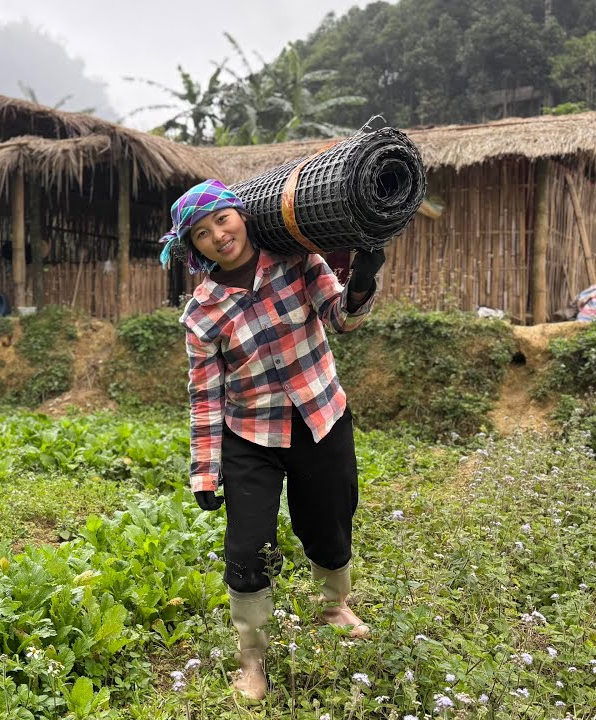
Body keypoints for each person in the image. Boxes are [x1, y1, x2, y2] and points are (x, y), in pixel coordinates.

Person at [158, 179, 385, 702]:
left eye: (222, 219)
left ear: (240, 215)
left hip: (319, 415)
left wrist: (360, 283)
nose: (218, 235)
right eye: (201, 232)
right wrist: (204, 468)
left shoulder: (297, 258)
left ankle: (334, 604)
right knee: (247, 547)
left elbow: (343, 319)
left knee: (329, 521)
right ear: (192, 247)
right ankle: (251, 659)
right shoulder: (201, 313)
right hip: (250, 434)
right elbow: (205, 396)